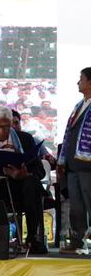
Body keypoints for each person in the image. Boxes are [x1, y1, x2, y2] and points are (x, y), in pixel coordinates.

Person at [0, 105, 47, 254]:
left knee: (32, 183)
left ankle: (32, 237)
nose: (1, 131)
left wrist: (24, 174)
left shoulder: (25, 139)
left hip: (20, 188)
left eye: (5, 127)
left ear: (11, 125)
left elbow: (40, 171)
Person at [57, 67, 91, 253]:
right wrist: (62, 160)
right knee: (76, 206)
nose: (78, 82)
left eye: (81, 79)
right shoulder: (80, 105)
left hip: (89, 165)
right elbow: (69, 135)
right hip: (73, 165)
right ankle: (77, 240)